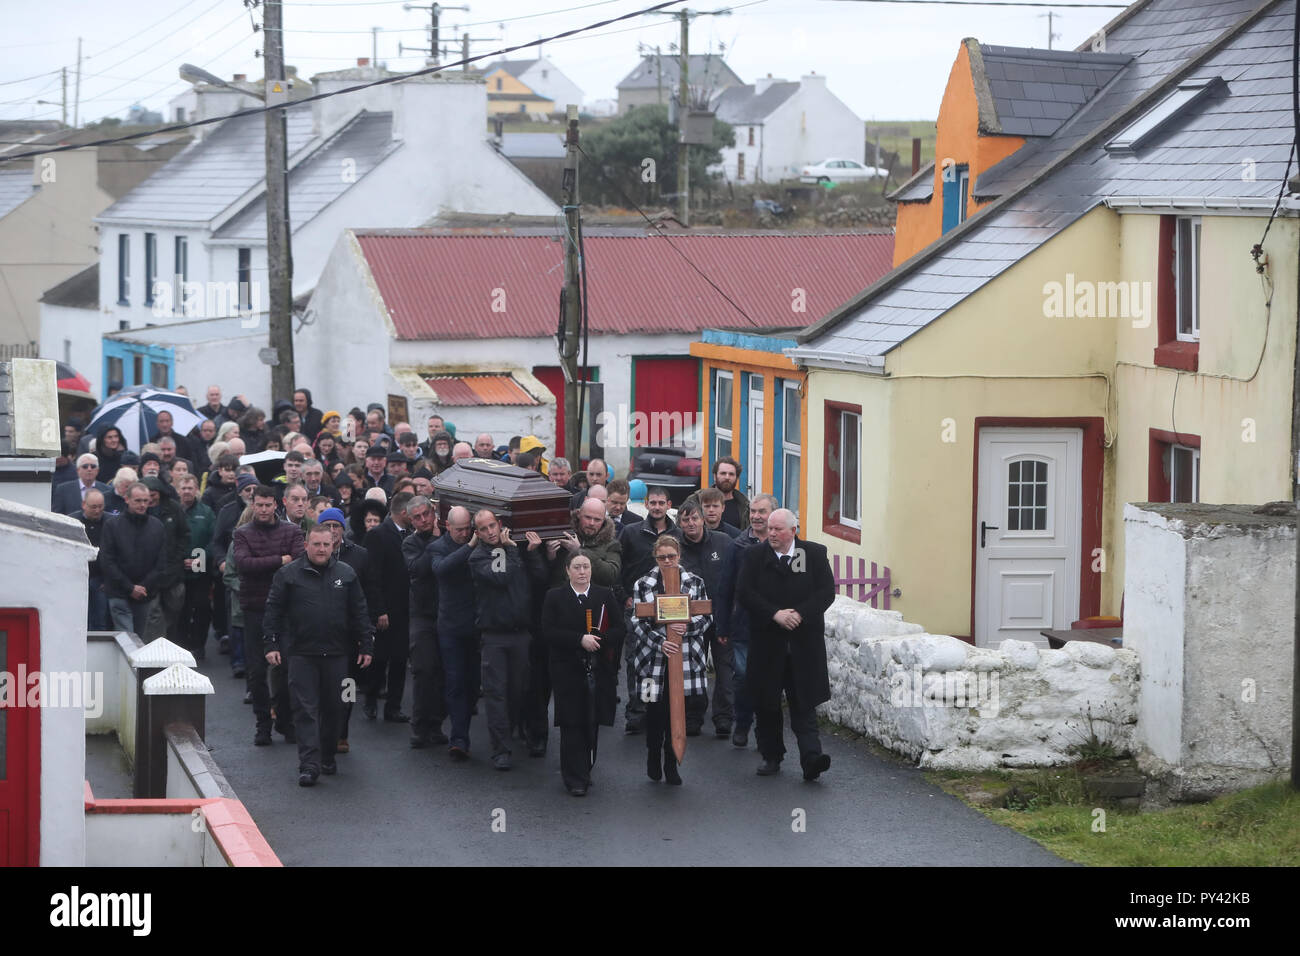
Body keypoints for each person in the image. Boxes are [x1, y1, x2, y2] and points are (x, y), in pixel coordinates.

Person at [264, 525, 375, 786]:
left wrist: (366, 646)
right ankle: (309, 765)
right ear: (306, 545)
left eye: (326, 544)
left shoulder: (346, 574)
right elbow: (273, 611)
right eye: (316, 544)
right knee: (305, 710)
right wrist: (271, 644)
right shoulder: (288, 574)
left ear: (333, 546)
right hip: (301, 654)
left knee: (336, 708)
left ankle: (327, 755)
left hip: (338, 654)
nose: (322, 549)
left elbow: (360, 611)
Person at [737, 508, 835, 781]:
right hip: (768, 644)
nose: (771, 534)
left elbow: (826, 592)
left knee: (804, 704)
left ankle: (811, 758)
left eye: (778, 529)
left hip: (804, 646)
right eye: (770, 528)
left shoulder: (814, 554)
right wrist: (775, 614)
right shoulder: (755, 556)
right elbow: (745, 593)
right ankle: (771, 756)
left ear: (793, 531)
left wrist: (800, 614)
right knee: (766, 703)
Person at [534, 497, 622, 754]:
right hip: (559, 614)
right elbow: (540, 575)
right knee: (543, 682)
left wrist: (580, 551)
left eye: (597, 519)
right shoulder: (560, 530)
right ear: (578, 515)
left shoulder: (611, 543)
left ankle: (586, 748)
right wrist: (550, 556)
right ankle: (538, 735)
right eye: (588, 517)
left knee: (587, 692)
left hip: (591, 621)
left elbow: (610, 574)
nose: (592, 523)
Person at [541, 552, 626, 795]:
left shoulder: (604, 595)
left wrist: (599, 640)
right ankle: (574, 777)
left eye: (586, 567)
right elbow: (548, 631)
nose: (582, 572)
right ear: (567, 570)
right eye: (577, 567)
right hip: (567, 669)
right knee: (571, 722)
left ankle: (586, 768)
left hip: (597, 668)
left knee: (591, 720)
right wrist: (579, 639)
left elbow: (620, 628)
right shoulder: (554, 596)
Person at [468, 510, 546, 770]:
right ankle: (500, 749)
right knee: (496, 694)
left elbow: (540, 578)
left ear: (500, 524)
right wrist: (512, 550)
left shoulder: (516, 550)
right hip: (494, 636)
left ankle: (510, 731)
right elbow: (501, 576)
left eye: (493, 525)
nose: (490, 532)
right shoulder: (478, 556)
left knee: (518, 690)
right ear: (477, 533)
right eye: (484, 529)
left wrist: (532, 553)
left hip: (521, 633)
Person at [630, 534, 710, 786]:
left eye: (671, 556)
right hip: (651, 661)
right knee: (654, 712)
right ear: (655, 557)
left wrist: (688, 627)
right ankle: (653, 754)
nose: (667, 561)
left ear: (679, 556)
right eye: (662, 557)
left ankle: (671, 763)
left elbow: (706, 616)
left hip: (685, 659)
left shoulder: (695, 582)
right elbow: (637, 621)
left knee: (678, 712)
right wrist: (660, 641)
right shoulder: (643, 584)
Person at [234, 486, 306, 746]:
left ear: (276, 504)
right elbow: (244, 564)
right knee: (256, 672)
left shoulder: (292, 531)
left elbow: (297, 563)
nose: (264, 509)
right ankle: (262, 725)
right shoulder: (242, 533)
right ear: (253, 505)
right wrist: (279, 560)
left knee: (286, 668)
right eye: (259, 505)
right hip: (254, 608)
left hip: (285, 610)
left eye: (268, 505)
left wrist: (264, 562)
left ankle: (285, 722)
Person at [316, 509, 385, 755]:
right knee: (322, 689)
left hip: (349, 635)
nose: (332, 530)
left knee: (347, 687)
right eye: (327, 525)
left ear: (343, 529)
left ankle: (342, 732)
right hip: (319, 635)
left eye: (336, 526)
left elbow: (371, 590)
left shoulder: (360, 555)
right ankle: (323, 731)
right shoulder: (313, 554)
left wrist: (370, 627)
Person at [672, 499, 736, 737]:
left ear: (702, 519)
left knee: (724, 669)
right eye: (685, 519)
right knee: (693, 669)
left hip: (721, 617)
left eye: (694, 518)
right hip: (690, 620)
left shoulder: (724, 542)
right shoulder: (674, 545)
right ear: (679, 523)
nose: (691, 523)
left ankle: (724, 718)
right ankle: (693, 717)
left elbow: (735, 577)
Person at [618, 486, 675, 733]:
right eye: (653, 502)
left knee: (666, 660)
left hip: (671, 609)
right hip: (637, 607)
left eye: (661, 503)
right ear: (646, 504)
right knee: (637, 660)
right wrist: (624, 597)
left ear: (669, 505)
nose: (657, 507)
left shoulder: (677, 534)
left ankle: (662, 712)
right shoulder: (631, 532)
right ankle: (637, 712)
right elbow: (618, 566)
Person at [429, 506, 479, 759]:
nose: (464, 533)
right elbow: (441, 569)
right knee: (455, 681)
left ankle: (463, 727)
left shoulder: (477, 544)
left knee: (473, 683)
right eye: (459, 529)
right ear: (447, 526)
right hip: (450, 627)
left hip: (476, 625)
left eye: (467, 529)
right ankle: (459, 738)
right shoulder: (438, 547)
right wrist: (469, 547)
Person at [728, 493, 776, 747]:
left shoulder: (786, 547)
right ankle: (743, 723)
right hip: (744, 624)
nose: (756, 517)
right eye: (753, 512)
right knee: (743, 676)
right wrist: (723, 624)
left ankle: (764, 730)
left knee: (769, 680)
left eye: (762, 512)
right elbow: (727, 587)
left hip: (774, 626)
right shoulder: (738, 545)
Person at [364, 490, 415, 722]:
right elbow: (372, 576)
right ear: (404, 512)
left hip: (406, 609)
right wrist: (379, 610)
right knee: (380, 658)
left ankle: (393, 707)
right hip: (386, 610)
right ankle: (371, 699)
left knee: (400, 659)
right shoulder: (378, 535)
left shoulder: (411, 534)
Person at [403, 495, 448, 748]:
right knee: (423, 670)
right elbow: (419, 568)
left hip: (447, 612)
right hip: (422, 615)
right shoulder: (410, 543)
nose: (423, 520)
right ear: (411, 521)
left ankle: (436, 723)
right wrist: (435, 540)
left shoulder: (446, 535)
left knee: (443, 672)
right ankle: (419, 727)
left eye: (426, 514)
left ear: (433, 513)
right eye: (417, 517)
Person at [100, 482, 167, 636]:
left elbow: (161, 563)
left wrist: (142, 587)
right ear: (127, 499)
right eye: (138, 501)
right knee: (128, 638)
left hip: (144, 594)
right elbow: (107, 560)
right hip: (119, 592)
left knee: (138, 637)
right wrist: (130, 587)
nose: (142, 505)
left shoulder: (157, 526)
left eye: (145, 501)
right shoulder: (112, 525)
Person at [141, 476, 190, 643]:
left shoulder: (174, 508)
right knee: (153, 614)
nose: (151, 499)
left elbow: (184, 534)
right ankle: (157, 646)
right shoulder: (140, 511)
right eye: (148, 495)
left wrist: (178, 557)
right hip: (149, 572)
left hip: (173, 570)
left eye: (154, 495)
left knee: (174, 607)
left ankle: (170, 640)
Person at [177, 474, 216, 661]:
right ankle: (181, 645)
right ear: (178, 490)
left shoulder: (206, 512)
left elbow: (214, 540)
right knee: (180, 609)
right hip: (178, 571)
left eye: (190, 488)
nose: (187, 491)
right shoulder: (173, 511)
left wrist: (199, 559)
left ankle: (198, 645)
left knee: (202, 607)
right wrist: (180, 561)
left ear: (196, 490)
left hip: (201, 570)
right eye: (183, 488)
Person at [73, 489, 112, 631]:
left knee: (100, 621)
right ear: (84, 504)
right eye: (93, 507)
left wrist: (108, 580)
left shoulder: (111, 522)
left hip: (101, 579)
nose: (97, 510)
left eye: (101, 506)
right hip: (78, 578)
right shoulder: (73, 522)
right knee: (80, 619)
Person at [711, 456, 749, 531]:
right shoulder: (698, 500)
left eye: (731, 474)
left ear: (737, 478)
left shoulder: (745, 505)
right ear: (715, 476)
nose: (727, 477)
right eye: (723, 473)